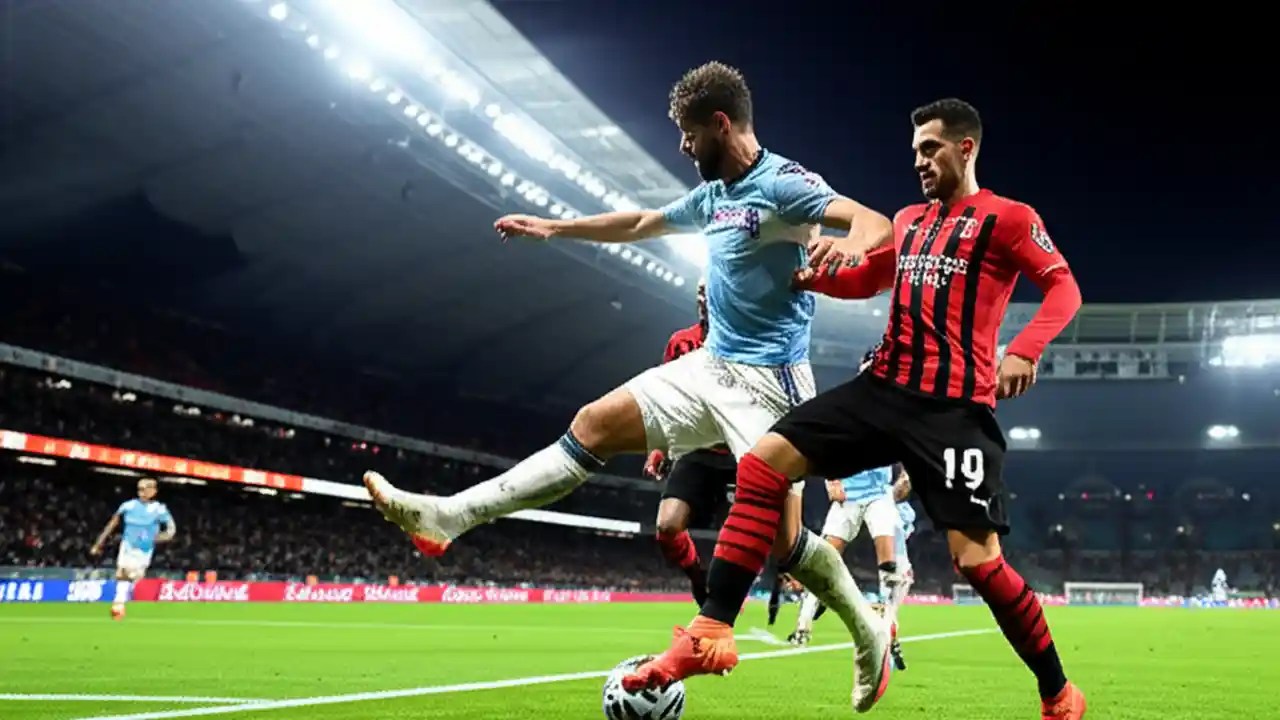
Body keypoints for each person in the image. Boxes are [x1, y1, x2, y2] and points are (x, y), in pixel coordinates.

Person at [362, 62, 893, 650]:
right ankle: (449, 518)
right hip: (711, 365)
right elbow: (641, 222)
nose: (684, 146)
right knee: (591, 424)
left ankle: (866, 627)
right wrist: (553, 228)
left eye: (690, 134)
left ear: (721, 124)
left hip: (771, 385)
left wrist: (849, 245)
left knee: (785, 545)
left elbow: (876, 222)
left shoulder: (783, 184)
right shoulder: (714, 195)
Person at [625, 98, 1087, 719]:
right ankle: (711, 628)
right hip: (884, 388)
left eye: (930, 148)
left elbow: (1064, 286)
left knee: (977, 562)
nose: (919, 160)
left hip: (952, 411)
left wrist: (1025, 350)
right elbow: (871, 278)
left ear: (966, 148)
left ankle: (1058, 693)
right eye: (915, 149)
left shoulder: (1007, 219)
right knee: (764, 464)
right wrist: (816, 279)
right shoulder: (909, 220)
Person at [646, 280, 736, 605]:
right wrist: (660, 447)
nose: (702, 297)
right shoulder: (681, 342)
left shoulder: (748, 339)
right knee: (667, 527)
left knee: (754, 535)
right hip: (696, 452)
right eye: (698, 291)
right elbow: (665, 397)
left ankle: (728, 595)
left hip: (739, 453)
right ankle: (699, 578)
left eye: (708, 290)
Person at [788, 463, 901, 648]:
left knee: (888, 564)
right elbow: (828, 442)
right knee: (822, 561)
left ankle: (889, 629)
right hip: (848, 496)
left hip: (880, 495)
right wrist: (831, 481)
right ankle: (802, 627)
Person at [89, 478, 176, 620]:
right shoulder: (128, 506)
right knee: (121, 574)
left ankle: (121, 602)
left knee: (133, 576)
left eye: (146, 488)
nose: (142, 492)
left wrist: (157, 538)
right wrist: (98, 543)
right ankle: (118, 606)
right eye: (140, 489)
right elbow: (112, 523)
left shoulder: (159, 509)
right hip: (127, 545)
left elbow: (171, 530)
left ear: (154, 491)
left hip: (144, 550)